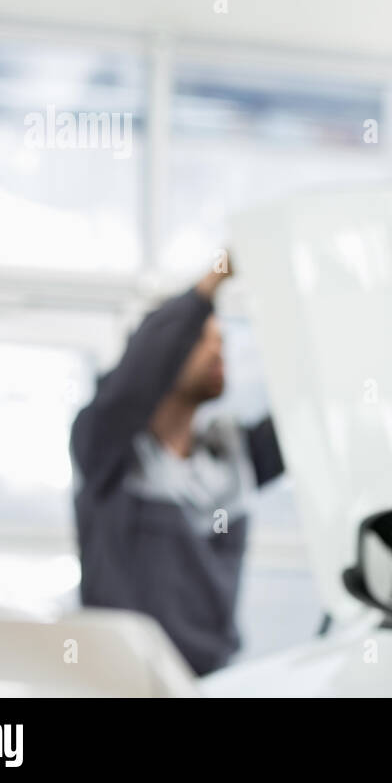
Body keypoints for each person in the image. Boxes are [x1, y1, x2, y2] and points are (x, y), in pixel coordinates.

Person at [69, 258, 286, 676]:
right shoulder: (105, 449)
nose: (218, 348)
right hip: (120, 684)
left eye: (220, 338)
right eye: (201, 338)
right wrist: (214, 280)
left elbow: (307, 412)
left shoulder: (233, 456)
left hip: (210, 684)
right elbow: (134, 379)